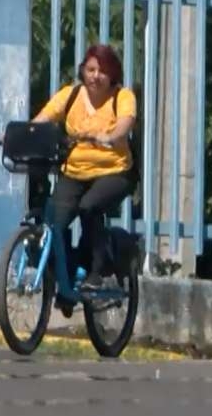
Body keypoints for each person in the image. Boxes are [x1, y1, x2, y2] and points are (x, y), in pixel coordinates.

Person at [32, 44, 137, 302]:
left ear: (113, 75)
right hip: (75, 171)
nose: (95, 76)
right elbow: (43, 118)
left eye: (103, 71)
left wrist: (111, 136)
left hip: (114, 171)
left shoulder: (122, 97)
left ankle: (97, 270)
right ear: (83, 71)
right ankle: (66, 277)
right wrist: (19, 134)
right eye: (90, 69)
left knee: (89, 207)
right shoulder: (71, 95)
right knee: (55, 223)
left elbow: (125, 123)